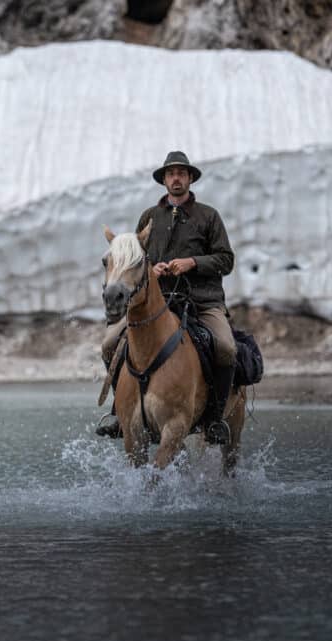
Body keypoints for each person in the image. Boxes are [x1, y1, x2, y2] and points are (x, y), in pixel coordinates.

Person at [97, 150, 237, 444]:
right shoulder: (149, 217)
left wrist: (193, 263)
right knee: (110, 343)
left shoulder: (208, 216)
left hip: (202, 301)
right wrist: (153, 270)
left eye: (181, 173)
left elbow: (226, 260)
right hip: (156, 302)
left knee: (225, 347)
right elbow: (131, 263)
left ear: (189, 179)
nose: (176, 178)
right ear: (164, 180)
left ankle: (214, 420)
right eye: (171, 174)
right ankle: (120, 413)